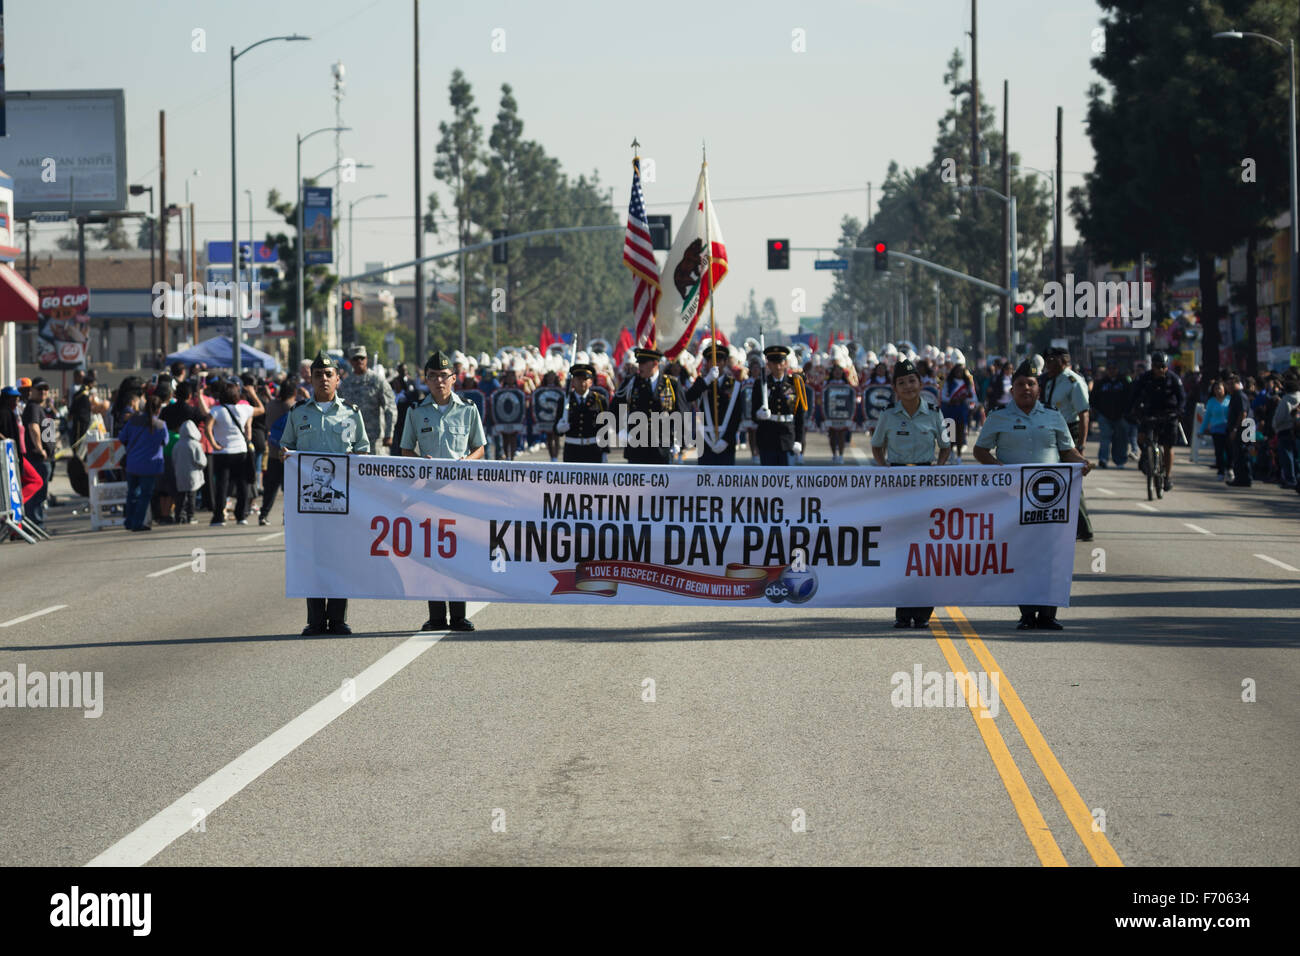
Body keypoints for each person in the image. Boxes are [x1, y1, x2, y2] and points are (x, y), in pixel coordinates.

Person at [973, 360, 1092, 630]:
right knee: (1022, 555)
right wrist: (999, 471)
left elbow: (1067, 451)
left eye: (1031, 384)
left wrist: (1082, 461)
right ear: (1012, 389)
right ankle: (1027, 614)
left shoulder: (1053, 416)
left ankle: (1048, 615)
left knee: (1051, 556)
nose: (1026, 388)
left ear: (1039, 388)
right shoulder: (998, 417)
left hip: (1051, 499)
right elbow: (981, 450)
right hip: (1013, 497)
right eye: (1020, 384)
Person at [279, 350, 370, 636]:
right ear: (311, 379)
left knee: (339, 559)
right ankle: (316, 620)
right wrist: (285, 456)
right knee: (313, 559)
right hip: (309, 503)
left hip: (342, 502)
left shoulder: (351, 414)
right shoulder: (299, 413)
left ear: (338, 379)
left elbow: (363, 452)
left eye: (329, 375)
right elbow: (286, 447)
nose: (323, 380)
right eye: (318, 375)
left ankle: (338, 619)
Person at [400, 350, 486, 632]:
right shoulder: (415, 411)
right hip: (428, 492)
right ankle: (436, 616)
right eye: (433, 376)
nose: (439, 381)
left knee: (458, 553)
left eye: (444, 376)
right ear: (426, 379)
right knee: (432, 555)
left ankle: (458, 616)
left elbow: (479, 448)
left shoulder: (468, 409)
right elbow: (405, 449)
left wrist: (466, 461)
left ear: (454, 379)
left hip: (459, 494)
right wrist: (419, 462)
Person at [871, 358, 950, 628]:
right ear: (895, 388)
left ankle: (924, 612)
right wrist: (885, 471)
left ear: (920, 383)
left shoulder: (934, 413)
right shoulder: (888, 415)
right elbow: (877, 447)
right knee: (901, 550)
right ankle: (903, 613)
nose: (908, 386)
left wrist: (938, 469)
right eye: (902, 383)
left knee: (926, 549)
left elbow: (946, 446)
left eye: (912, 381)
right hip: (898, 487)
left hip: (926, 486)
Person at [1041, 348, 1093, 541]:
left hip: (1070, 432)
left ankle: (1084, 528)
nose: (1047, 365)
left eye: (1051, 361)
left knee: (1071, 481)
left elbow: (1083, 414)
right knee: (1054, 479)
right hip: (1052, 432)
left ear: (1062, 361)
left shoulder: (1073, 381)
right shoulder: (1050, 381)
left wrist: (1081, 445)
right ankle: (1065, 526)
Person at [613, 347, 684, 465]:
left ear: (655, 363)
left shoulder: (671, 384)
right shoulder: (631, 383)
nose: (640, 367)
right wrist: (621, 431)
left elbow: (681, 413)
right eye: (639, 363)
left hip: (661, 447)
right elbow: (614, 408)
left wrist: (678, 440)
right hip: (636, 447)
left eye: (644, 363)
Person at [1127, 351, 1184, 491]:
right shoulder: (1144, 378)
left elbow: (1182, 398)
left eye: (1162, 366)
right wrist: (1132, 410)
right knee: (1140, 438)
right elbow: (1133, 395)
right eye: (1157, 366)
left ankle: (1168, 477)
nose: (1160, 369)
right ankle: (1145, 456)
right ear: (1152, 366)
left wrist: (1179, 412)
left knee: (1168, 446)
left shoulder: (1174, 379)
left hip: (1169, 414)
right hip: (1149, 413)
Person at [208, 381, 262, 526]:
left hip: (222, 452)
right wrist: (252, 393)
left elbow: (208, 427)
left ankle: (219, 517)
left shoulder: (217, 410)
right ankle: (241, 516)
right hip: (241, 451)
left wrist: (213, 443)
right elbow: (261, 409)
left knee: (222, 485)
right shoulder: (244, 409)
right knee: (242, 484)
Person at [117, 393, 170, 532]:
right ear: (159, 409)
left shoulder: (133, 420)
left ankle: (129, 521)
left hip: (132, 463)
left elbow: (122, 437)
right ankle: (137, 523)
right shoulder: (160, 425)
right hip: (150, 466)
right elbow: (165, 442)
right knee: (145, 495)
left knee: (132, 493)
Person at [685, 345, 742, 466]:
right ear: (707, 363)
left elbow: (736, 415)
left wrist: (726, 439)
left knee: (725, 481)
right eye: (711, 361)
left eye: (719, 361)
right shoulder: (702, 382)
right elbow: (689, 397)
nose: (715, 364)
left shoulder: (734, 385)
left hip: (725, 441)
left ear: (725, 362)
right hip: (705, 440)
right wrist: (707, 380)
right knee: (705, 480)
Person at [751, 345, 808, 466]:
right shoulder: (761, 384)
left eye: (780, 362)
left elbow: (800, 416)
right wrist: (758, 414)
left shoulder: (795, 384)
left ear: (786, 363)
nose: (777, 366)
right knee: (768, 480)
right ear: (768, 364)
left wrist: (799, 440)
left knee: (787, 481)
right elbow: (753, 413)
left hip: (788, 438)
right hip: (767, 437)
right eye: (773, 362)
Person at [338, 345, 397, 454]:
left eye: (362, 358)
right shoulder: (345, 384)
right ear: (351, 361)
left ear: (366, 359)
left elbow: (390, 408)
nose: (359, 361)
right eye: (355, 359)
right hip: (351, 439)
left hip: (375, 439)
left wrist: (389, 434)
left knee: (376, 470)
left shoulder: (378, 381)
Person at [21, 378, 56, 530]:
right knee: (38, 495)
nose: (43, 392)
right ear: (32, 391)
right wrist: (40, 449)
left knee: (40, 495)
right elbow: (33, 427)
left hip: (43, 459)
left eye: (45, 389)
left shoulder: (40, 407)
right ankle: (35, 525)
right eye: (39, 389)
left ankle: (36, 524)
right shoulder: (33, 407)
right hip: (37, 458)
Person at [556, 363, 606, 463]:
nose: (582, 382)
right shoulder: (565, 400)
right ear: (573, 381)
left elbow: (605, 427)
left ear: (591, 381)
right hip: (572, 450)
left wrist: (605, 451)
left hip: (593, 450)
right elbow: (556, 426)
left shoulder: (599, 400)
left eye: (585, 379)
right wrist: (559, 428)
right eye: (578, 379)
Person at [1091, 364, 1132, 469]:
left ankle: (1120, 460)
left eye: (1114, 368)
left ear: (1117, 369)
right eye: (1109, 369)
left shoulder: (1123, 382)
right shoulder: (1101, 382)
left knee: (1121, 439)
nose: (1112, 371)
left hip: (1121, 415)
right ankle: (1103, 459)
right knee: (1105, 438)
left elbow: (1130, 396)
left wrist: (1127, 412)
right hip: (1104, 415)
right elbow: (1093, 398)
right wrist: (1096, 411)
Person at [939, 355, 976, 463]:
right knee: (950, 434)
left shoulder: (967, 382)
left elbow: (973, 397)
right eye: (957, 371)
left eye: (961, 371)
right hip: (950, 410)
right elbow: (943, 396)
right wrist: (951, 400)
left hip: (961, 410)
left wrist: (965, 399)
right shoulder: (947, 381)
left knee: (960, 433)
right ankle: (951, 454)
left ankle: (959, 456)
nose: (959, 373)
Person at [172, 418, 207, 524]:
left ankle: (179, 516)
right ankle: (190, 516)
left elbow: (173, 459)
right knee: (191, 496)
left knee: (180, 496)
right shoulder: (195, 444)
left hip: (179, 473)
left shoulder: (177, 444)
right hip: (193, 473)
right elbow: (201, 461)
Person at [1224, 373, 1253, 487]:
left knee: (1243, 454)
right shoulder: (1234, 396)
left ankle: (1246, 478)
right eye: (1228, 384)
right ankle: (1240, 478)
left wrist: (1235, 429)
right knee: (1238, 454)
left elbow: (1243, 413)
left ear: (1237, 383)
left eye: (1232, 384)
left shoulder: (1240, 395)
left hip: (1244, 430)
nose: (1229, 387)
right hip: (1240, 430)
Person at [1272, 372, 1299, 489]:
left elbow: (1279, 417)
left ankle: (1290, 479)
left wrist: (1275, 426)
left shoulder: (1286, 399)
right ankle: (1296, 479)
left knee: (1287, 456)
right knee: (1296, 456)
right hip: (1296, 430)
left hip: (1284, 430)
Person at [1200, 379, 1230, 478]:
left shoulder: (1229, 399)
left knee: (1229, 450)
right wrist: (1201, 430)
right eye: (1216, 389)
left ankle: (1230, 468)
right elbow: (1207, 417)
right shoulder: (1211, 402)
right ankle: (1221, 471)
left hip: (1228, 429)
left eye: (1220, 388)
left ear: (1224, 389)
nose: (1218, 391)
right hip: (1216, 429)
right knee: (1219, 451)